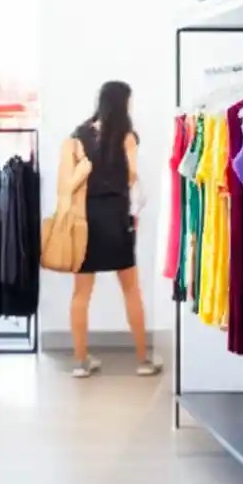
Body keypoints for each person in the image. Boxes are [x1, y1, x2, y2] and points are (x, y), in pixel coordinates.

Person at [60, 81, 162, 379]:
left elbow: (70, 180)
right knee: (131, 289)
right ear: (121, 104)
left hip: (85, 220)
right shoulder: (126, 137)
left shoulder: (78, 135)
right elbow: (131, 174)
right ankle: (144, 360)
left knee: (81, 293)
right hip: (116, 219)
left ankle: (81, 362)